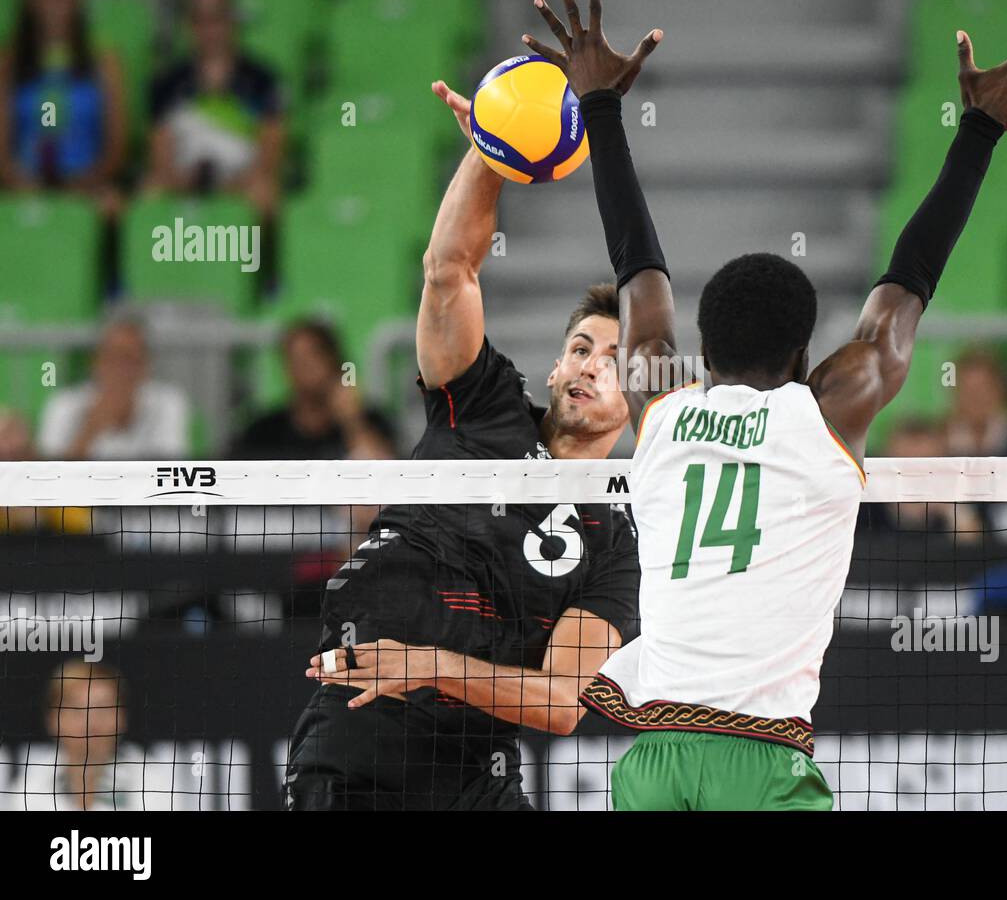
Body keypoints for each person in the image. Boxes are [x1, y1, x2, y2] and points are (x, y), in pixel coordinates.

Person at [509, 0, 1007, 810]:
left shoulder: (662, 407)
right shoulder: (827, 413)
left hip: (653, 762)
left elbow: (638, 271)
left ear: (699, 351)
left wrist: (598, 106)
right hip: (761, 760)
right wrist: (982, 130)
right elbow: (905, 289)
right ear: (809, 354)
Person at [289, 78, 643, 810]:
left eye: (612, 361)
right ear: (554, 366)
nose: (589, 366)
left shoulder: (614, 539)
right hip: (360, 742)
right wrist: (493, 145)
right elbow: (449, 270)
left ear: (637, 398)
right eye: (580, 347)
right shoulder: (485, 407)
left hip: (470, 773)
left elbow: (560, 702)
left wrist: (428, 665)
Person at [141, 0, 284, 217]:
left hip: (241, 180)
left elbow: (269, 152)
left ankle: (257, 254)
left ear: (232, 22)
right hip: (183, 179)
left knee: (265, 194)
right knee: (149, 193)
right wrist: (186, 183)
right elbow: (161, 159)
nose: (209, 30)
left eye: (216, 18)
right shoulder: (166, 83)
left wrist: (232, 186)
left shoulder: (263, 80)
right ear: (189, 26)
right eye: (200, 20)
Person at [0, 0, 127, 216]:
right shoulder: (9, 62)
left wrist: (84, 183)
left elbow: (116, 146)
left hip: (87, 184)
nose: (54, 2)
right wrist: (20, 183)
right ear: (30, 0)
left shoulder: (104, 62)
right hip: (23, 184)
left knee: (114, 207)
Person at [229, 320, 395, 461]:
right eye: (293, 358)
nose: (304, 367)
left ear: (333, 360)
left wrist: (352, 421)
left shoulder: (371, 422)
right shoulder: (263, 432)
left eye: (312, 356)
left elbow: (385, 480)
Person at [37, 318, 190, 460]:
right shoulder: (63, 405)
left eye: (130, 360)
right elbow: (49, 477)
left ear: (146, 366)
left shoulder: (168, 402)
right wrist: (90, 430)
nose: (120, 370)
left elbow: (170, 470)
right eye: (112, 359)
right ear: (95, 363)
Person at [44, 660, 130, 810]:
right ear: (53, 720)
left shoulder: (156, 784)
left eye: (103, 708)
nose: (91, 723)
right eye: (77, 709)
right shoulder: (24, 788)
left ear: (122, 718)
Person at [944, 347, 1007, 456]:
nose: (976, 399)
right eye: (968, 391)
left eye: (983, 390)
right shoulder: (940, 439)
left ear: (1000, 391)